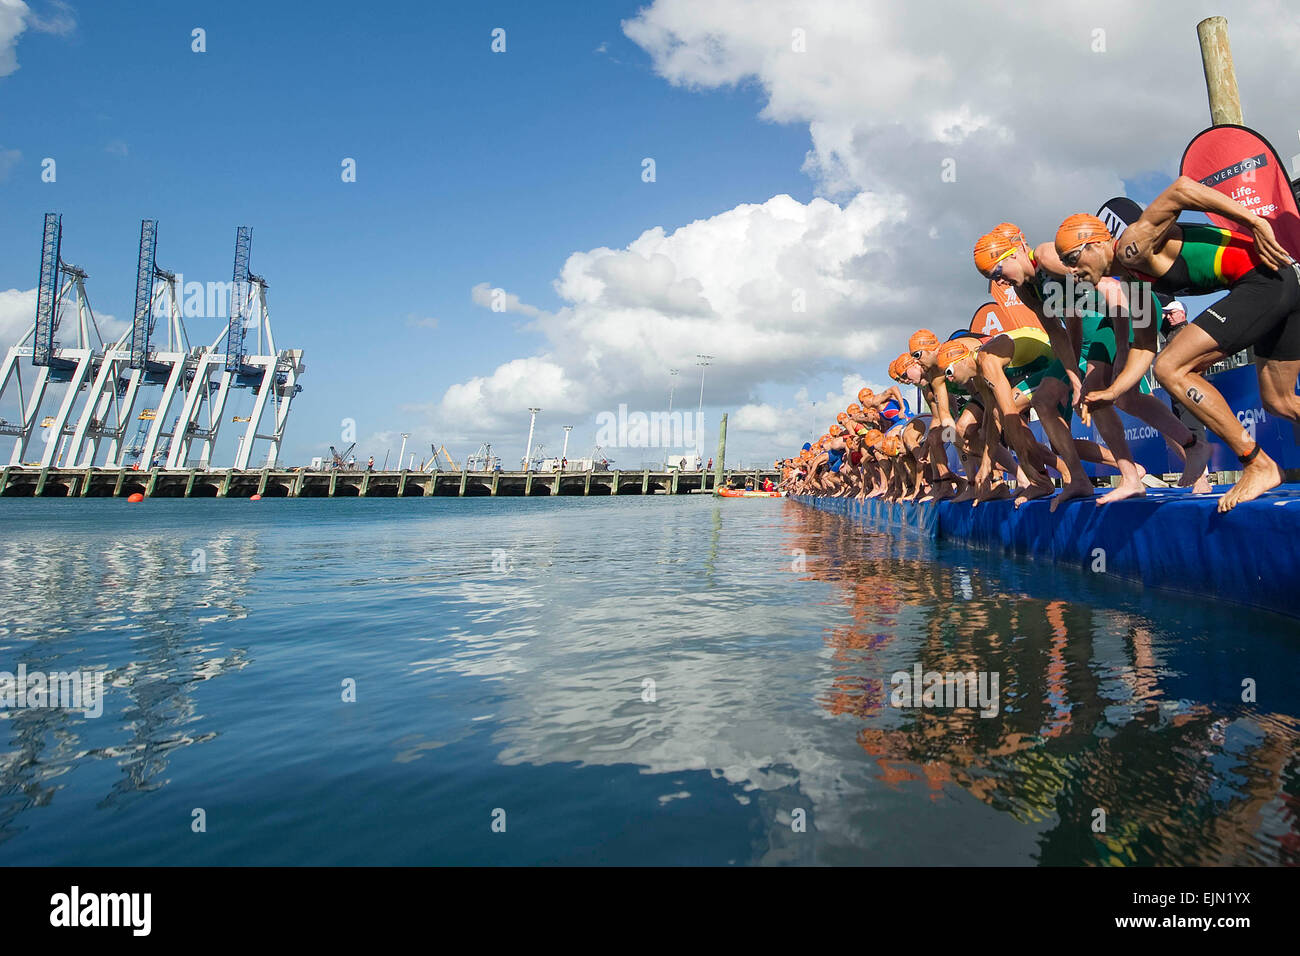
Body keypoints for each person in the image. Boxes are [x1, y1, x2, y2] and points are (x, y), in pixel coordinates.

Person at [1054, 186, 1298, 510]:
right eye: (1065, 264)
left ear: (1098, 245)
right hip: (1280, 283)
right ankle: (1254, 462)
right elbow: (1144, 347)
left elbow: (1181, 189)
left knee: (1171, 368)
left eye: (1073, 259)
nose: (1073, 271)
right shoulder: (1134, 284)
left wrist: (1254, 222)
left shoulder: (1130, 245)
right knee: (1280, 402)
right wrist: (1114, 392)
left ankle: (1258, 464)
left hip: (1262, 281)